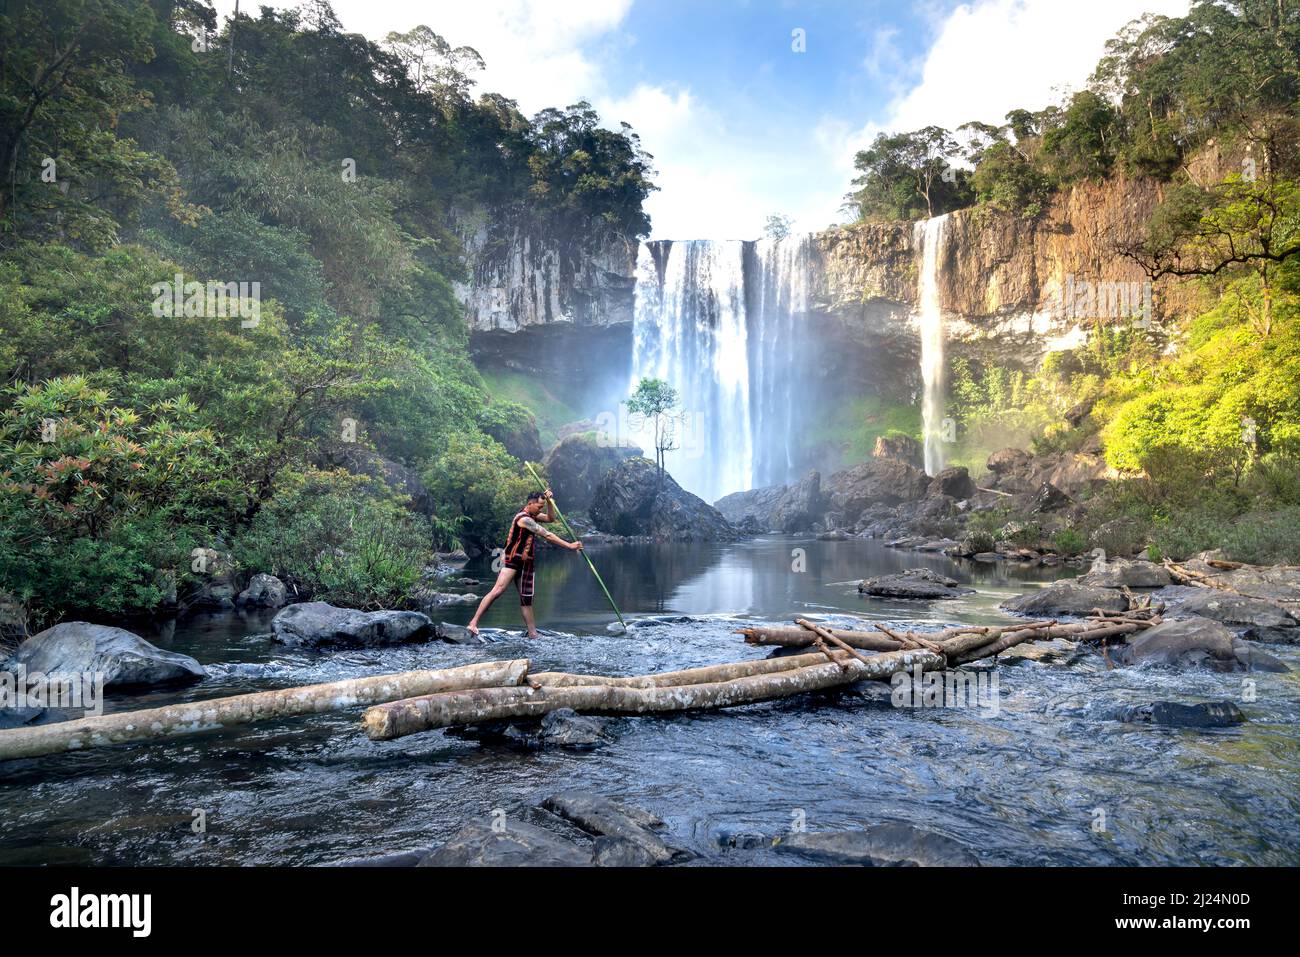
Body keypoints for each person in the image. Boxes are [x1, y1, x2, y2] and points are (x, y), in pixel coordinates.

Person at [466, 489, 583, 638]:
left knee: (526, 598)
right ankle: (473, 623)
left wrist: (549, 502)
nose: (540, 510)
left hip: (526, 562)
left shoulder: (533, 515)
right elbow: (547, 534)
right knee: (498, 590)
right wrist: (569, 546)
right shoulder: (524, 518)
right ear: (530, 503)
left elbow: (551, 518)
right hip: (512, 558)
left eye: (541, 507)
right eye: (539, 507)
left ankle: (533, 633)